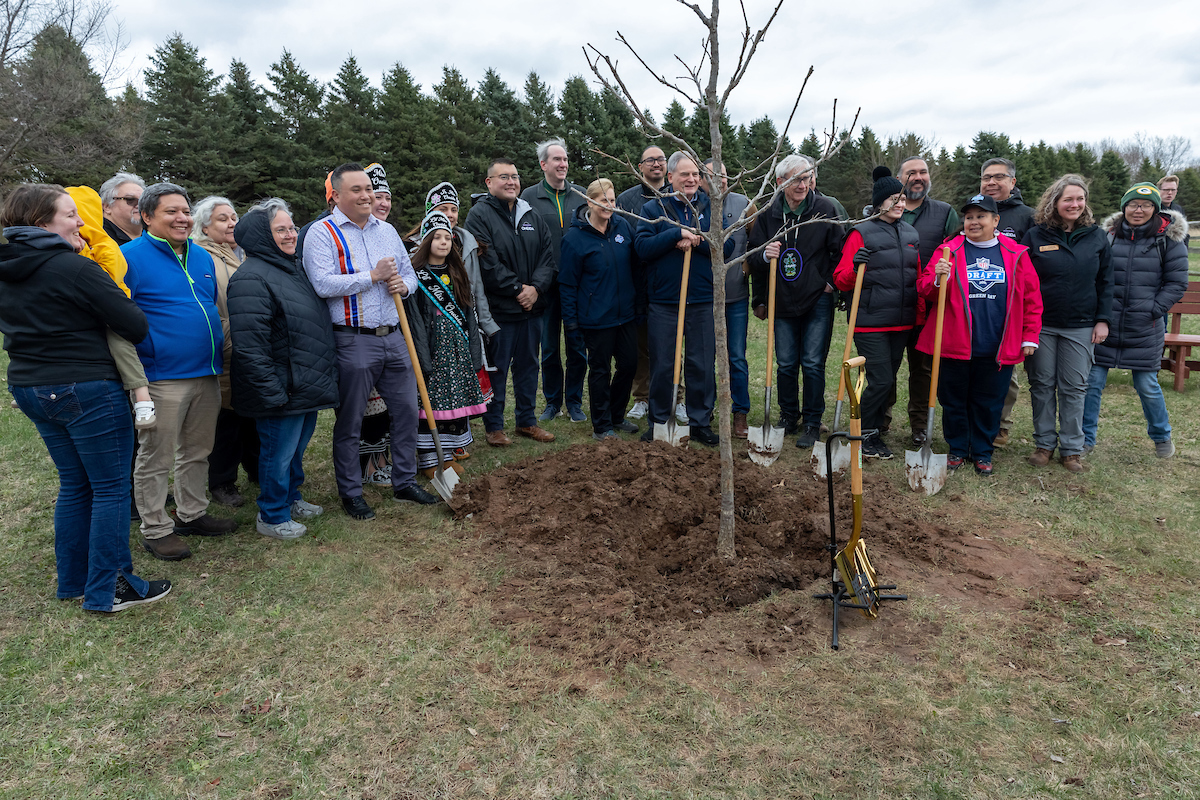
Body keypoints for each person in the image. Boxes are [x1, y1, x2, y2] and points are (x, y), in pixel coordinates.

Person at [0, 184, 170, 612]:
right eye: (71, 215)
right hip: (85, 386)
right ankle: (109, 588)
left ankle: (75, 580)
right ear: (43, 224)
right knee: (110, 488)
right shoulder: (74, 268)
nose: (81, 223)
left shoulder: (6, 265)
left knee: (75, 485)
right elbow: (132, 323)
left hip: (30, 386)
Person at [302, 162, 439, 519]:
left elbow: (409, 275)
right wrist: (372, 276)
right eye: (357, 190)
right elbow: (322, 284)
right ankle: (351, 492)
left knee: (408, 411)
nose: (367, 196)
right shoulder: (322, 233)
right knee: (351, 420)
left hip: (394, 336)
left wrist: (404, 286)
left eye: (369, 189)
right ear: (337, 194)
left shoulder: (387, 231)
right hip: (353, 339)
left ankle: (404, 481)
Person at [124, 183, 238, 561]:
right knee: (156, 456)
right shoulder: (130, 258)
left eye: (186, 211)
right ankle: (155, 528)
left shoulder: (202, 258)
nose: (182, 218)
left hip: (206, 373)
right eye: (171, 211)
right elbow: (121, 320)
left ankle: (192, 513)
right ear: (146, 216)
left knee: (197, 451)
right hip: (161, 377)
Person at [227, 199, 338, 540]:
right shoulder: (250, 279)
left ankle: (292, 498)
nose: (291, 234)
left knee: (295, 450)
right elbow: (250, 345)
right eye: (281, 229)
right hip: (280, 388)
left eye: (292, 227)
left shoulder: (294, 269)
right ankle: (272, 514)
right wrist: (272, 390)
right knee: (277, 454)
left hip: (302, 384)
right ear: (262, 236)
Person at [917, 194, 1042, 477]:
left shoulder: (1016, 254)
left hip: (997, 343)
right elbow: (925, 290)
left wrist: (1029, 336)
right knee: (954, 399)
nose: (974, 222)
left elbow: (1032, 298)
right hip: (954, 343)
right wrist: (938, 277)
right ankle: (958, 448)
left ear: (995, 220)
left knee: (990, 401)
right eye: (969, 217)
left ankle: (983, 450)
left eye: (981, 216)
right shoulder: (948, 251)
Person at [635, 151, 734, 447]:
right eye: (684, 175)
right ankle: (659, 421)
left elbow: (725, 248)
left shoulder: (710, 207)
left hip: (702, 299)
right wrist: (674, 234)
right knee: (664, 363)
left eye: (695, 175)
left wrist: (698, 238)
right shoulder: (654, 209)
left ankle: (700, 421)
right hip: (665, 301)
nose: (691, 180)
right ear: (670, 178)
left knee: (701, 364)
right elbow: (641, 246)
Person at [1083, 183, 1189, 459]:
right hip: (1106, 325)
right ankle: (1085, 439)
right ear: (1124, 207)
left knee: (1147, 385)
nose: (1138, 210)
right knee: (1092, 382)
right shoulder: (1108, 237)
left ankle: (1162, 437)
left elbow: (1177, 283)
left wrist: (1153, 309)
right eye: (1133, 205)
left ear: (1155, 209)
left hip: (1145, 327)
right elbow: (1095, 276)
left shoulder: (1169, 240)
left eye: (1145, 206)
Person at [748, 154, 843, 448]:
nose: (803, 185)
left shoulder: (825, 209)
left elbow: (840, 250)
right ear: (780, 182)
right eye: (796, 179)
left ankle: (813, 422)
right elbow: (752, 256)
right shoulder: (767, 215)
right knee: (787, 363)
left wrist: (829, 283)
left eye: (806, 178)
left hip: (816, 299)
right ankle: (789, 416)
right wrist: (764, 267)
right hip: (782, 299)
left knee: (813, 362)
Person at [1021, 175, 1113, 473]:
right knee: (1042, 384)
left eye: (1080, 199)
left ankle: (1072, 449)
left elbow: (1106, 282)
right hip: (1042, 324)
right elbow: (1022, 281)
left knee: (1075, 387)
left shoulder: (1097, 236)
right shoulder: (1036, 236)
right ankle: (1044, 444)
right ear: (1054, 202)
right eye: (1068, 199)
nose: (1075, 204)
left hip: (1082, 325)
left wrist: (1102, 320)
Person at [465, 157, 557, 447]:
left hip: (532, 309)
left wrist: (536, 289)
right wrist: (518, 289)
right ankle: (494, 427)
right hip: (500, 312)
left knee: (529, 366)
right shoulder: (479, 215)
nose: (511, 182)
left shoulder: (530, 214)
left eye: (515, 177)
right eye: (503, 177)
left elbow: (547, 256)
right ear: (489, 183)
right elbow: (487, 262)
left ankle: (527, 422)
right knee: (498, 369)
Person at [832, 167, 920, 460]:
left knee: (888, 382)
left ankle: (873, 429)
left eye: (903, 198)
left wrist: (918, 312)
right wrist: (856, 267)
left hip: (902, 321)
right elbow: (840, 278)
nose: (899, 203)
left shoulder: (910, 233)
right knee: (880, 380)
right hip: (870, 321)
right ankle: (864, 434)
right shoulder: (861, 232)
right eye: (893, 198)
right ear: (880, 202)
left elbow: (914, 275)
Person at [65, 185, 157, 430]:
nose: (137, 204)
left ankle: (142, 396)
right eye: (130, 199)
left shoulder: (103, 244)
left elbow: (112, 276)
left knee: (121, 344)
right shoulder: (71, 242)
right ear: (103, 208)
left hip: (110, 309)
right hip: (79, 315)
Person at [406, 211, 487, 474]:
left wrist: (474, 352)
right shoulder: (416, 276)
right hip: (432, 349)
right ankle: (430, 459)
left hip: (457, 347)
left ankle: (450, 453)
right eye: (437, 237)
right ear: (426, 241)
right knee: (430, 403)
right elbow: (415, 321)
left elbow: (469, 316)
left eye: (448, 238)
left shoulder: (458, 272)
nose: (443, 242)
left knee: (454, 401)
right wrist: (422, 356)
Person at [191, 196, 259, 508]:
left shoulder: (245, 251)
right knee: (226, 420)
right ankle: (222, 481)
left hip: (252, 343)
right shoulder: (199, 255)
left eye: (234, 217)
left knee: (253, 414)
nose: (232, 223)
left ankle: (256, 470)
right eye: (222, 219)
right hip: (223, 345)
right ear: (204, 226)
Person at [559, 178, 638, 440]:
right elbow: (568, 285)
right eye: (603, 200)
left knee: (628, 365)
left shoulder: (623, 227)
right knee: (600, 370)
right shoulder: (574, 239)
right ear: (590, 202)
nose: (609, 205)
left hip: (625, 315)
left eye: (612, 200)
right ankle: (602, 425)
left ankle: (617, 415)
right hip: (596, 319)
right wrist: (571, 324)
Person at [520, 138, 589, 423]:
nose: (563, 164)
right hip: (544, 287)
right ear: (543, 164)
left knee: (577, 346)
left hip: (577, 286)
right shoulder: (529, 197)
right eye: (557, 160)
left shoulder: (582, 195)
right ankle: (552, 402)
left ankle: (573, 402)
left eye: (565, 160)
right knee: (548, 348)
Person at [894, 156, 960, 447]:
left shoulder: (945, 213)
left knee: (923, 370)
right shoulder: (883, 211)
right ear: (900, 180)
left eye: (923, 172)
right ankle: (879, 421)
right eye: (911, 173)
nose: (918, 177)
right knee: (885, 367)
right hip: (889, 305)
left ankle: (920, 426)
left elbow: (958, 253)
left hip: (930, 306)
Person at [980, 157, 1036, 445]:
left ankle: (1001, 424)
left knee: (1006, 370)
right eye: (987, 177)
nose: (991, 182)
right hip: (979, 304)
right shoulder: (973, 213)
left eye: (999, 177)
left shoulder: (1027, 216)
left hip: (1010, 308)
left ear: (1012, 182)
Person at [616, 145, 668, 422]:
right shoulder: (626, 200)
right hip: (636, 280)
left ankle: (676, 396)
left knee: (670, 345)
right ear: (640, 167)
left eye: (661, 159)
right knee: (641, 345)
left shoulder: (677, 196)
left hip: (669, 279)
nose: (656, 164)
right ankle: (642, 397)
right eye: (650, 160)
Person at [706, 157, 754, 439]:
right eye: (712, 176)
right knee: (706, 355)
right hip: (704, 298)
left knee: (736, 356)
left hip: (736, 295)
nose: (719, 180)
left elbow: (755, 240)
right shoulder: (695, 204)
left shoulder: (744, 205)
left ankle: (740, 412)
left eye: (723, 175)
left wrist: (747, 269)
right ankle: (707, 407)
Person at [357, 163, 397, 488]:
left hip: (392, 331)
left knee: (387, 403)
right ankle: (366, 466)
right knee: (367, 406)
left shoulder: (388, 233)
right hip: (359, 333)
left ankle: (384, 460)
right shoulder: (348, 234)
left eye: (386, 197)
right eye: (375, 196)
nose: (382, 203)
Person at [99, 172, 145, 246]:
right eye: (130, 199)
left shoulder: (158, 236)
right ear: (107, 206)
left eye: (143, 200)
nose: (139, 205)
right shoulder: (97, 239)